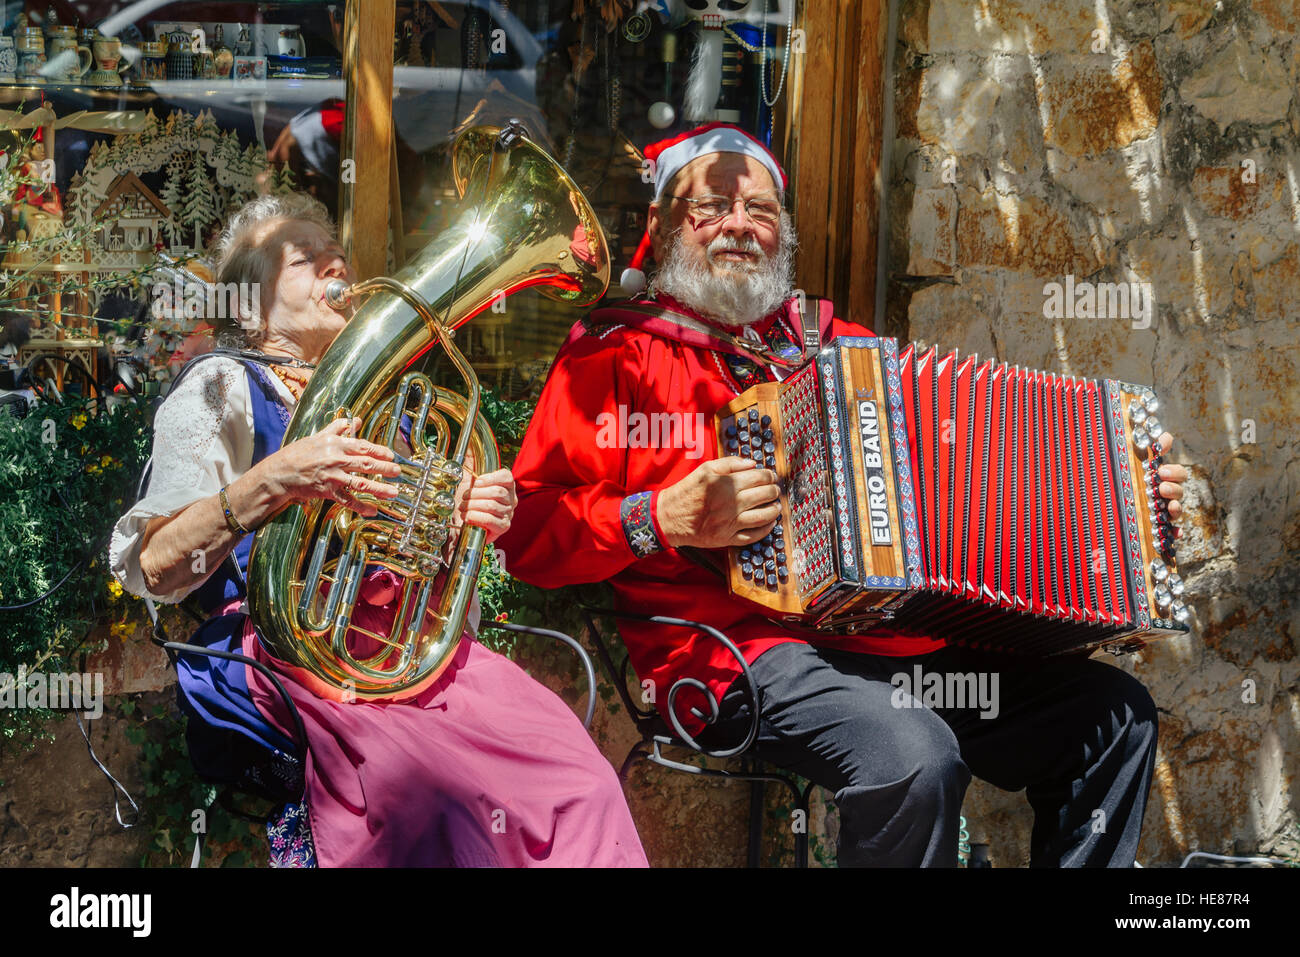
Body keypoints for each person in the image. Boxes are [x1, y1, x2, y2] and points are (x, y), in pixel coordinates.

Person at [496, 123, 1190, 867]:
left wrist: (1128, 508)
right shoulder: (613, 358)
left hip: (900, 653)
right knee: (911, 755)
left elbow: (980, 483)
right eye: (711, 207)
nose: (738, 223)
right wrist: (657, 517)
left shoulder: (839, 347)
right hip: (736, 657)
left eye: (759, 209)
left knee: (1113, 716)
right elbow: (524, 532)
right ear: (662, 224)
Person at [110, 192, 647, 868]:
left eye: (339, 255)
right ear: (248, 306)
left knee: (582, 783)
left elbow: (417, 566)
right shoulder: (223, 384)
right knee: (435, 804)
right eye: (306, 260)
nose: (337, 267)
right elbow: (155, 562)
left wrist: (460, 527)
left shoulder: (384, 399)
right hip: (289, 654)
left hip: (404, 653)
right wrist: (277, 476)